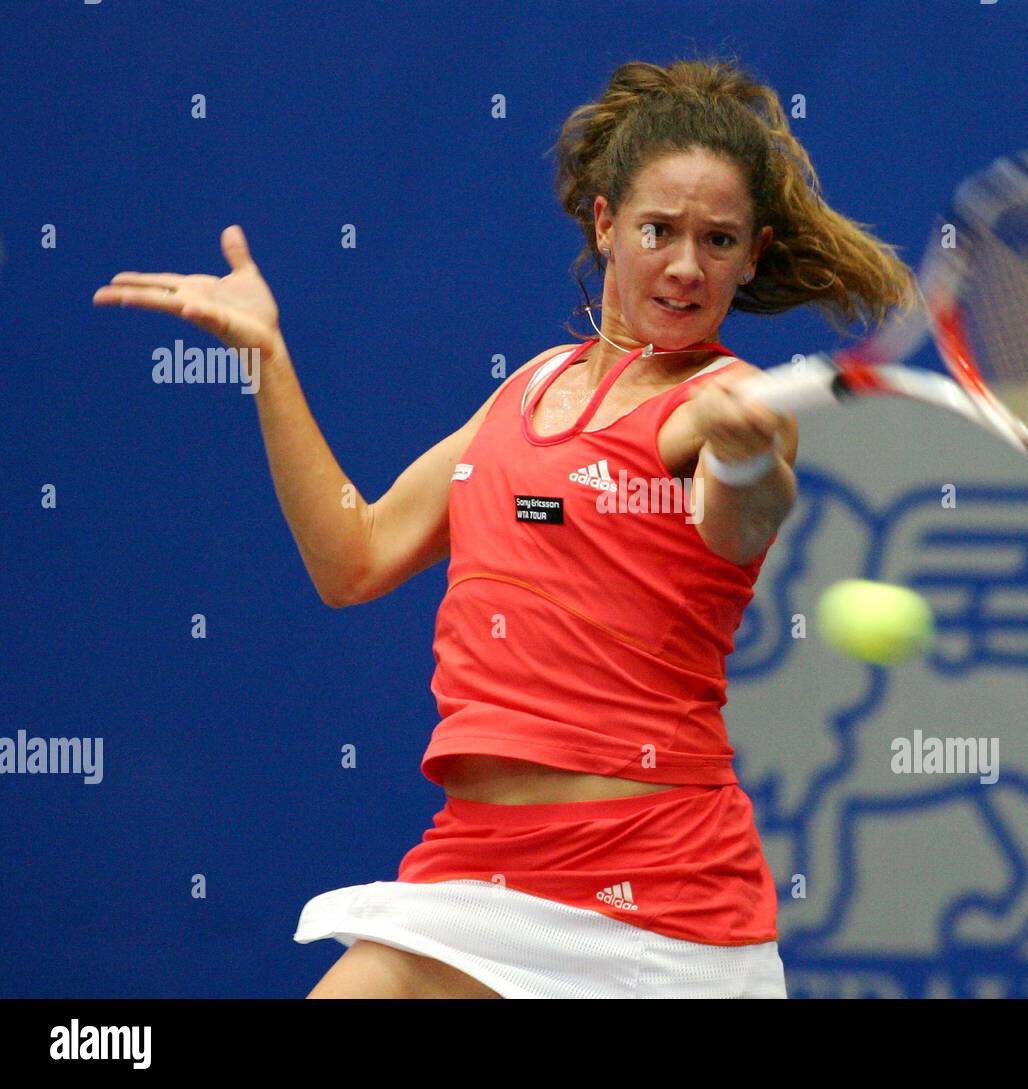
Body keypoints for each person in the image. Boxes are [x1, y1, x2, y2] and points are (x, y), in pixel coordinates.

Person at [92, 56, 912, 999]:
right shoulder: (521, 393)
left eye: (719, 240)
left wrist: (742, 456)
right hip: (479, 873)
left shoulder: (724, 402)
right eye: (659, 230)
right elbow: (351, 557)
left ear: (752, 254)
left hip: (659, 900)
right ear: (605, 225)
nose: (687, 265)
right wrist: (269, 361)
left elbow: (739, 526)